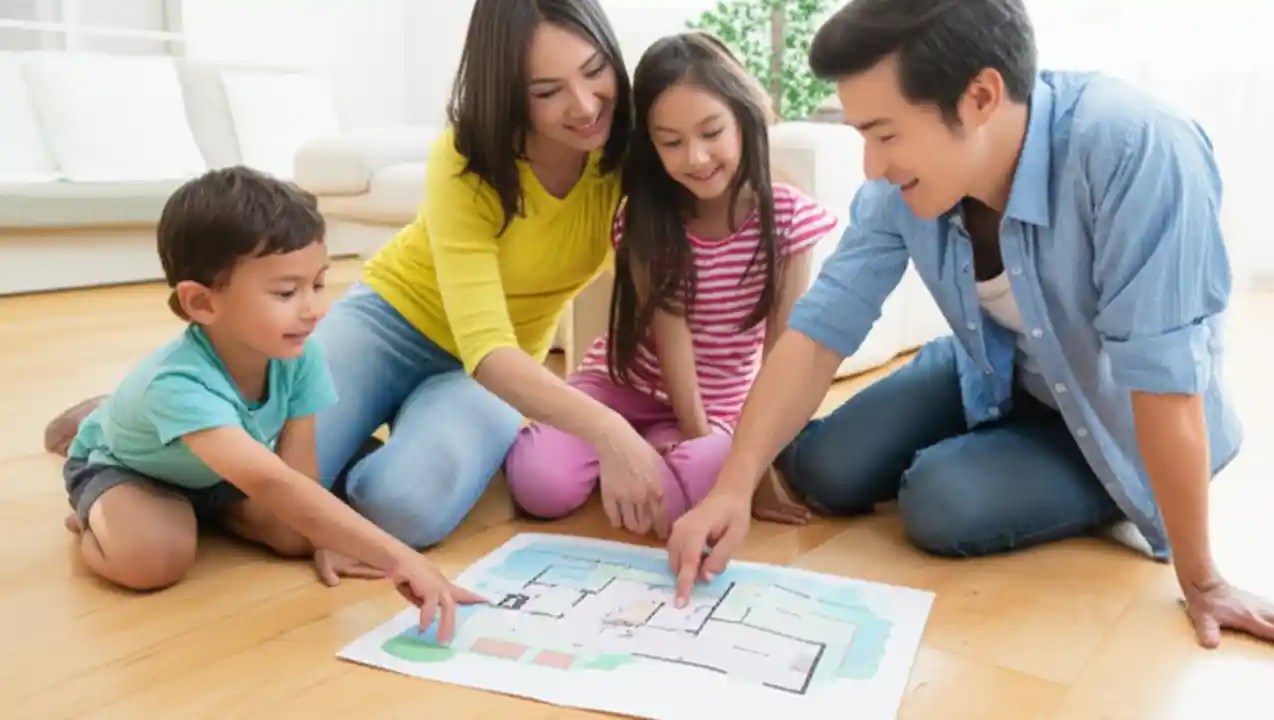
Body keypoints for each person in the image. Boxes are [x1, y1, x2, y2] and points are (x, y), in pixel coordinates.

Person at [667, 0, 1274, 649]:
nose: (872, 166)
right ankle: (995, 436)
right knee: (822, 467)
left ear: (981, 96)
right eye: (862, 137)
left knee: (940, 501)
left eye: (885, 134)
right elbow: (820, 331)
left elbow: (1163, 378)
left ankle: (1077, 480)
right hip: (996, 365)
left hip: (1119, 413)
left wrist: (1202, 578)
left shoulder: (1137, 148)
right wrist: (730, 489)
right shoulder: (901, 186)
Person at [45, 0, 668, 547]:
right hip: (392, 321)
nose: (585, 106)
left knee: (400, 508)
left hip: (494, 370)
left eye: (594, 72)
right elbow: (486, 345)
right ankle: (127, 416)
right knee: (253, 471)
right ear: (507, 91)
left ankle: (369, 456)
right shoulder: (467, 159)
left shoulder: (627, 159)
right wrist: (609, 432)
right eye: (546, 90)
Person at [60, 167, 482, 639]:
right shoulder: (176, 382)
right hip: (136, 471)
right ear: (201, 304)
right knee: (152, 560)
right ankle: (94, 510)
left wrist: (319, 537)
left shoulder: (300, 354)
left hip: (217, 472)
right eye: (286, 292)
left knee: (299, 535)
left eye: (319, 284)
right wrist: (404, 560)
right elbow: (271, 480)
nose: (313, 309)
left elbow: (299, 473)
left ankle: (208, 510)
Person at [504, 32, 837, 536]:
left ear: (743, 117)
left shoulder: (788, 219)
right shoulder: (648, 220)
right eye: (672, 143)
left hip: (717, 407)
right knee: (540, 485)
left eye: (711, 132)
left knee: (707, 480)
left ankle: (654, 458)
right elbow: (673, 347)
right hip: (618, 389)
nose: (697, 158)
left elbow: (780, 353)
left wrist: (758, 465)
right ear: (651, 146)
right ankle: (638, 454)